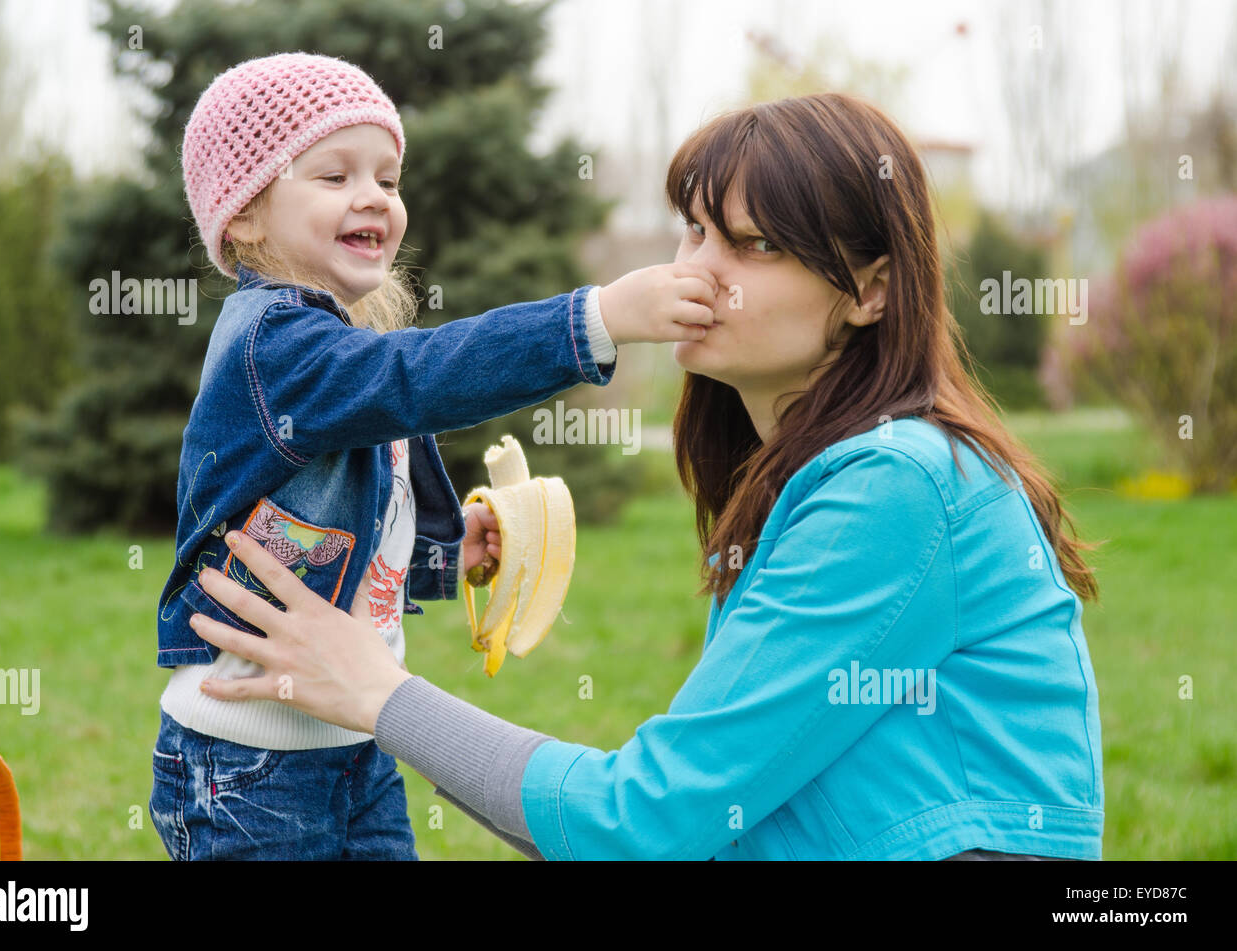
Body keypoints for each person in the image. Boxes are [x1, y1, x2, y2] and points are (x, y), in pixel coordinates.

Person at [189, 93, 1105, 861]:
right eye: (695, 233)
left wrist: (379, 695)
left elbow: (643, 823)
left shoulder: (898, 488)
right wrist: (434, 563)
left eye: (751, 246)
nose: (695, 272)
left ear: (869, 289)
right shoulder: (822, 474)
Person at [149, 52, 717, 861]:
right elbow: (422, 376)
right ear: (243, 216)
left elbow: (337, 535)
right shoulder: (271, 345)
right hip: (251, 762)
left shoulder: (334, 347)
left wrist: (446, 557)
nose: (373, 196)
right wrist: (593, 318)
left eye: (387, 176)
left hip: (355, 742)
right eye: (334, 174)